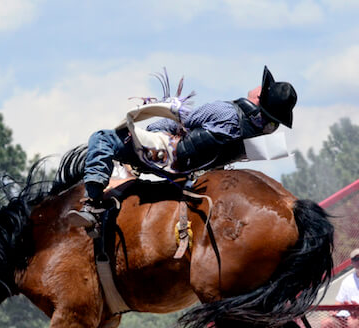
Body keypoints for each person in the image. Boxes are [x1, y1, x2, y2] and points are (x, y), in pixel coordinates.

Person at [66, 66, 297, 231]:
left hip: (167, 156)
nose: (258, 86)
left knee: (103, 138)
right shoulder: (259, 134)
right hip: (193, 171)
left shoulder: (225, 112)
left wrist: (148, 132)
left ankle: (92, 203)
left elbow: (180, 122)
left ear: (258, 97)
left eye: (263, 87)